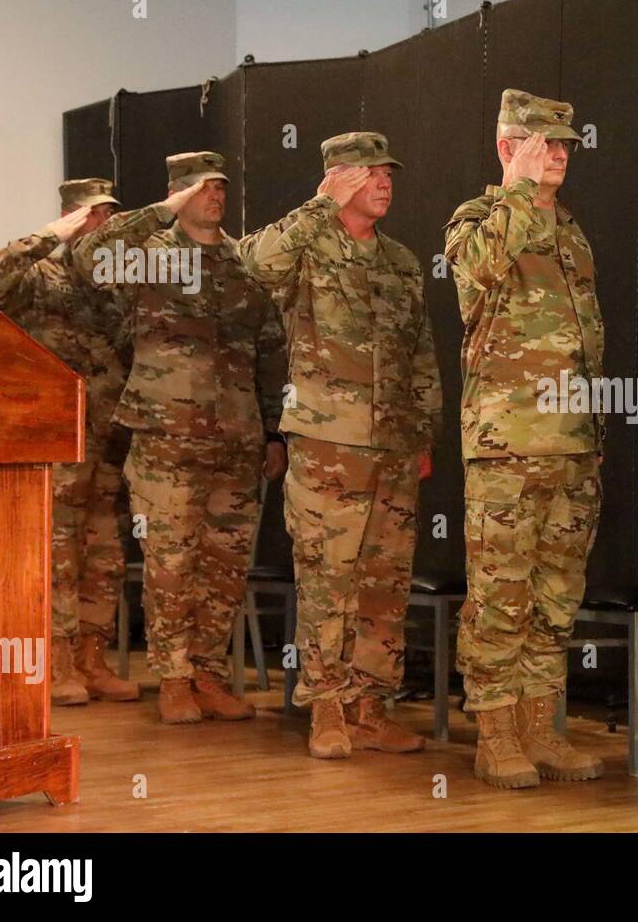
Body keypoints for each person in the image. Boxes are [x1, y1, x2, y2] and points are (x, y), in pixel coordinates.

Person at [240, 132, 441, 759]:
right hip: (328, 442)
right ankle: (325, 706)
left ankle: (370, 706)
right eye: (370, 174)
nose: (384, 184)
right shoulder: (307, 244)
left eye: (389, 174)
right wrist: (318, 204)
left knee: (386, 582)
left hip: (394, 446)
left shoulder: (402, 261)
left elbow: (422, 352)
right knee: (329, 578)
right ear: (337, 178)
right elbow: (254, 263)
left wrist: (424, 431)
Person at [73, 152, 288, 725]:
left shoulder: (244, 262)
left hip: (237, 437)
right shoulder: (149, 258)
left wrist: (272, 431)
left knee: (224, 563)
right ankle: (171, 677)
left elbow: (269, 348)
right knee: (171, 561)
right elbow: (90, 256)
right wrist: (159, 212)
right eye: (201, 187)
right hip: (167, 437)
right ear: (177, 193)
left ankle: (210, 674)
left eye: (221, 186)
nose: (215, 195)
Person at [444, 89, 606, 789]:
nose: (560, 154)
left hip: (574, 442)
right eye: (545, 143)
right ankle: (496, 734)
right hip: (507, 443)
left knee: (555, 596)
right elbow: (474, 276)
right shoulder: (478, 219)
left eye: (566, 144)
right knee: (501, 595)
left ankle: (542, 729)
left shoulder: (571, 231)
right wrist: (514, 191)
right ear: (508, 147)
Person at [0, 178, 138, 706]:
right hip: (55, 442)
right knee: (58, 554)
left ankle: (92, 657)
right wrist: (49, 235)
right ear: (71, 219)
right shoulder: (38, 276)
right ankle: (57, 661)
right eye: (94, 217)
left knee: (105, 552)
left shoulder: (118, 286)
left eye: (111, 218)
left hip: (108, 440)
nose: (104, 228)